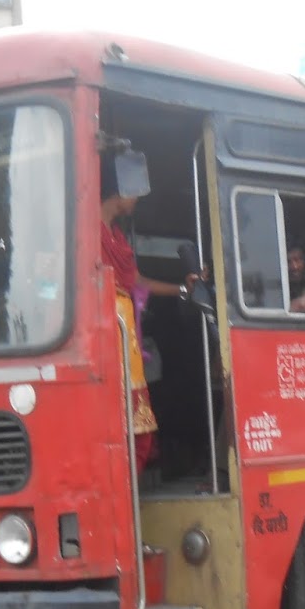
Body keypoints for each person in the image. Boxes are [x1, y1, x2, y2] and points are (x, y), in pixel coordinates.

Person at [100, 149, 200, 474]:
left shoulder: (114, 234)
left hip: (127, 334)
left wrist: (184, 289)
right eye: (137, 195)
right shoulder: (89, 231)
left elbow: (137, 281)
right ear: (122, 191)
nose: (137, 202)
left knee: (140, 431)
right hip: (107, 337)